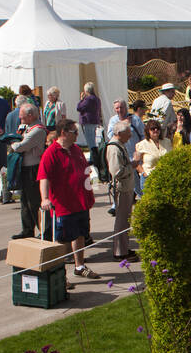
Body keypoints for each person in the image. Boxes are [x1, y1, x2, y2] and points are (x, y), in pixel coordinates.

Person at [38, 118, 99, 280]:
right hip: (63, 205)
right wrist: (45, 198)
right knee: (62, 240)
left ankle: (79, 266)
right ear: (63, 133)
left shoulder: (76, 149)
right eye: (74, 132)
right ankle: (60, 276)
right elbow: (44, 177)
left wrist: (90, 192)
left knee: (80, 235)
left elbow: (86, 170)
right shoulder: (51, 153)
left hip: (80, 202)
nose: (77, 135)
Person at [10, 102, 48, 239]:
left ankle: (44, 230)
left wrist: (13, 144)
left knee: (34, 201)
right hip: (26, 168)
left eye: (22, 117)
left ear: (31, 116)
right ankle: (27, 229)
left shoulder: (38, 130)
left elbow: (22, 146)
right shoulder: (28, 128)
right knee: (25, 200)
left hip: (34, 168)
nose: (21, 120)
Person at [105, 124, 135, 260]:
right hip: (121, 189)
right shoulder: (114, 148)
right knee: (122, 221)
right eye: (128, 133)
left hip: (126, 188)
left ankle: (123, 248)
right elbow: (117, 171)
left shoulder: (119, 145)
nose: (130, 136)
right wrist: (132, 166)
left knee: (125, 220)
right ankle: (120, 251)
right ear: (119, 133)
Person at [133, 119, 170, 197]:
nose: (155, 130)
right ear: (148, 131)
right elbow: (136, 162)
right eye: (152, 128)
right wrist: (143, 173)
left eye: (157, 128)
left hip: (165, 177)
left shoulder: (167, 142)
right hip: (149, 178)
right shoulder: (141, 145)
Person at [76, 82, 103, 171]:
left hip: (88, 122)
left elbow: (79, 108)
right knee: (93, 140)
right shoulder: (97, 99)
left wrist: (81, 99)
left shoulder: (88, 99)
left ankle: (95, 160)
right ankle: (92, 159)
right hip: (95, 121)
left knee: (90, 142)